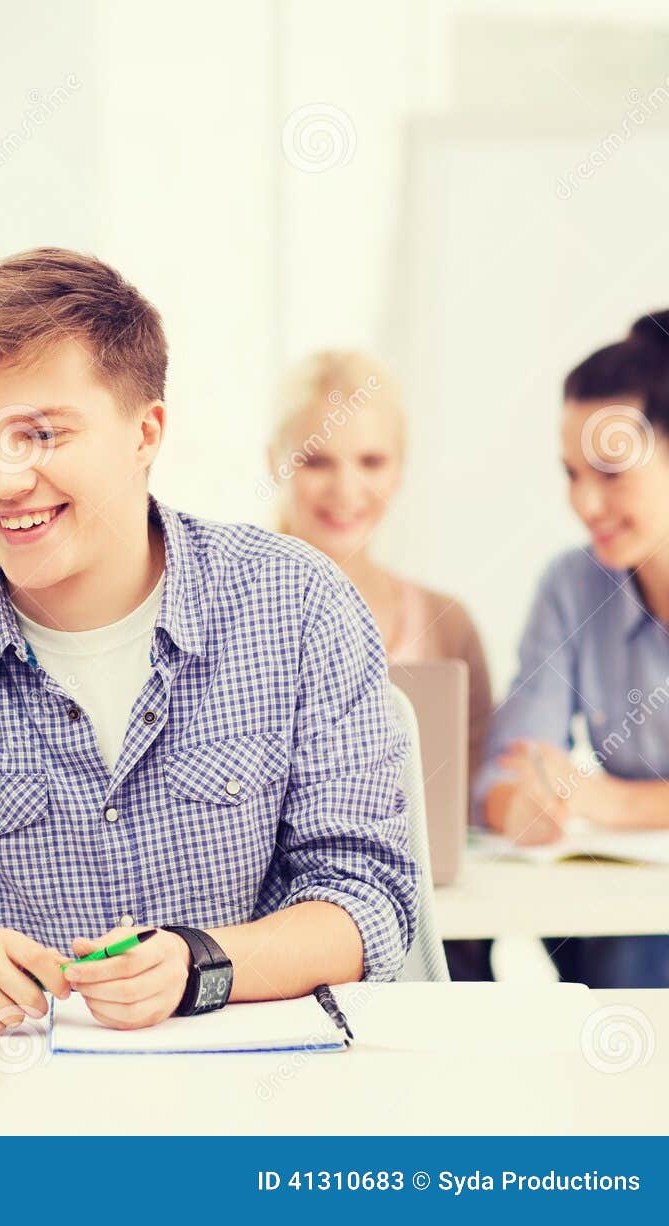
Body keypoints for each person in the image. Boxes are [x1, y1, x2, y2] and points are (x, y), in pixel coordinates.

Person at [0, 248, 419, 1031]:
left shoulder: (298, 606)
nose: (6, 479)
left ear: (144, 432)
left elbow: (370, 900)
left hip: (254, 1103)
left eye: (43, 434)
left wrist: (202, 964)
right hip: (12, 1116)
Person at [475, 310, 669, 988]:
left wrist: (613, 802)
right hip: (622, 901)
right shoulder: (573, 582)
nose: (584, 503)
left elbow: (601, 799)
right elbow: (510, 762)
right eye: (570, 473)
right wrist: (521, 802)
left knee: (635, 951)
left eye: (611, 473)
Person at [268, 351, 492, 775]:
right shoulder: (218, 615)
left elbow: (471, 799)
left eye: (372, 462)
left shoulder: (448, 624)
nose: (347, 490)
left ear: (400, 468)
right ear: (273, 464)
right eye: (317, 461)